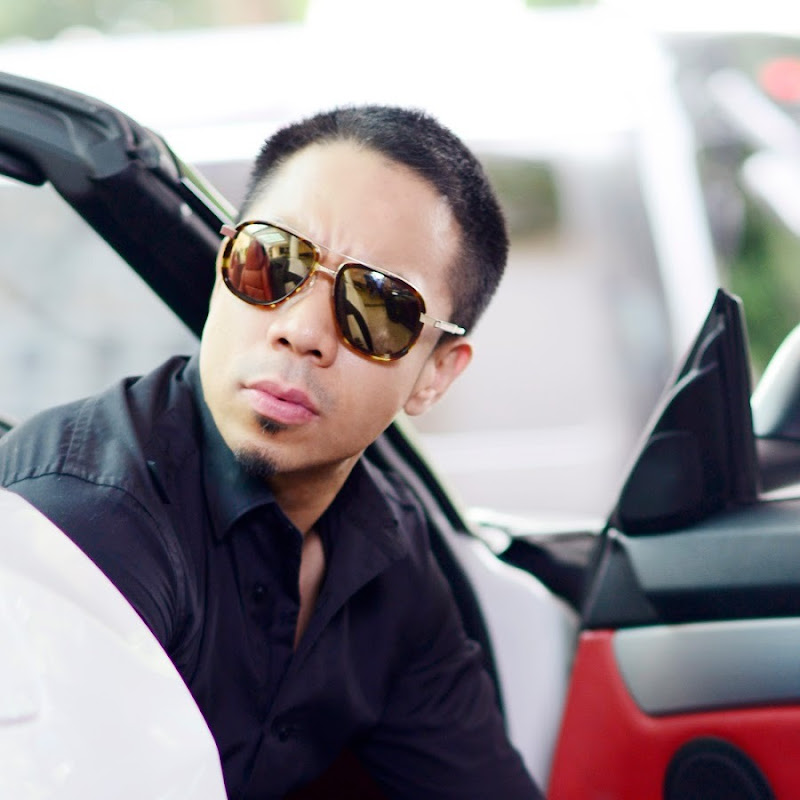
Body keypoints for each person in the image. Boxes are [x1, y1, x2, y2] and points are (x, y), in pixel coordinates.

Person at [0, 105, 542, 799]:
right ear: (224, 261)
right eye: (272, 260)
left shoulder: (387, 547)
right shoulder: (87, 521)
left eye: (378, 306)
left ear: (435, 373)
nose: (301, 330)